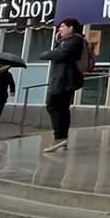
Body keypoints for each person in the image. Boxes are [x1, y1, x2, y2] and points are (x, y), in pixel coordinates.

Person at [39, 17, 87, 152]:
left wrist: (46, 54)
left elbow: (62, 54)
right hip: (64, 80)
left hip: (65, 80)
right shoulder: (66, 41)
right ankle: (62, 138)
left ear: (71, 28)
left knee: (53, 106)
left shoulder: (74, 40)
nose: (60, 29)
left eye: (63, 26)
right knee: (61, 108)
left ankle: (59, 137)